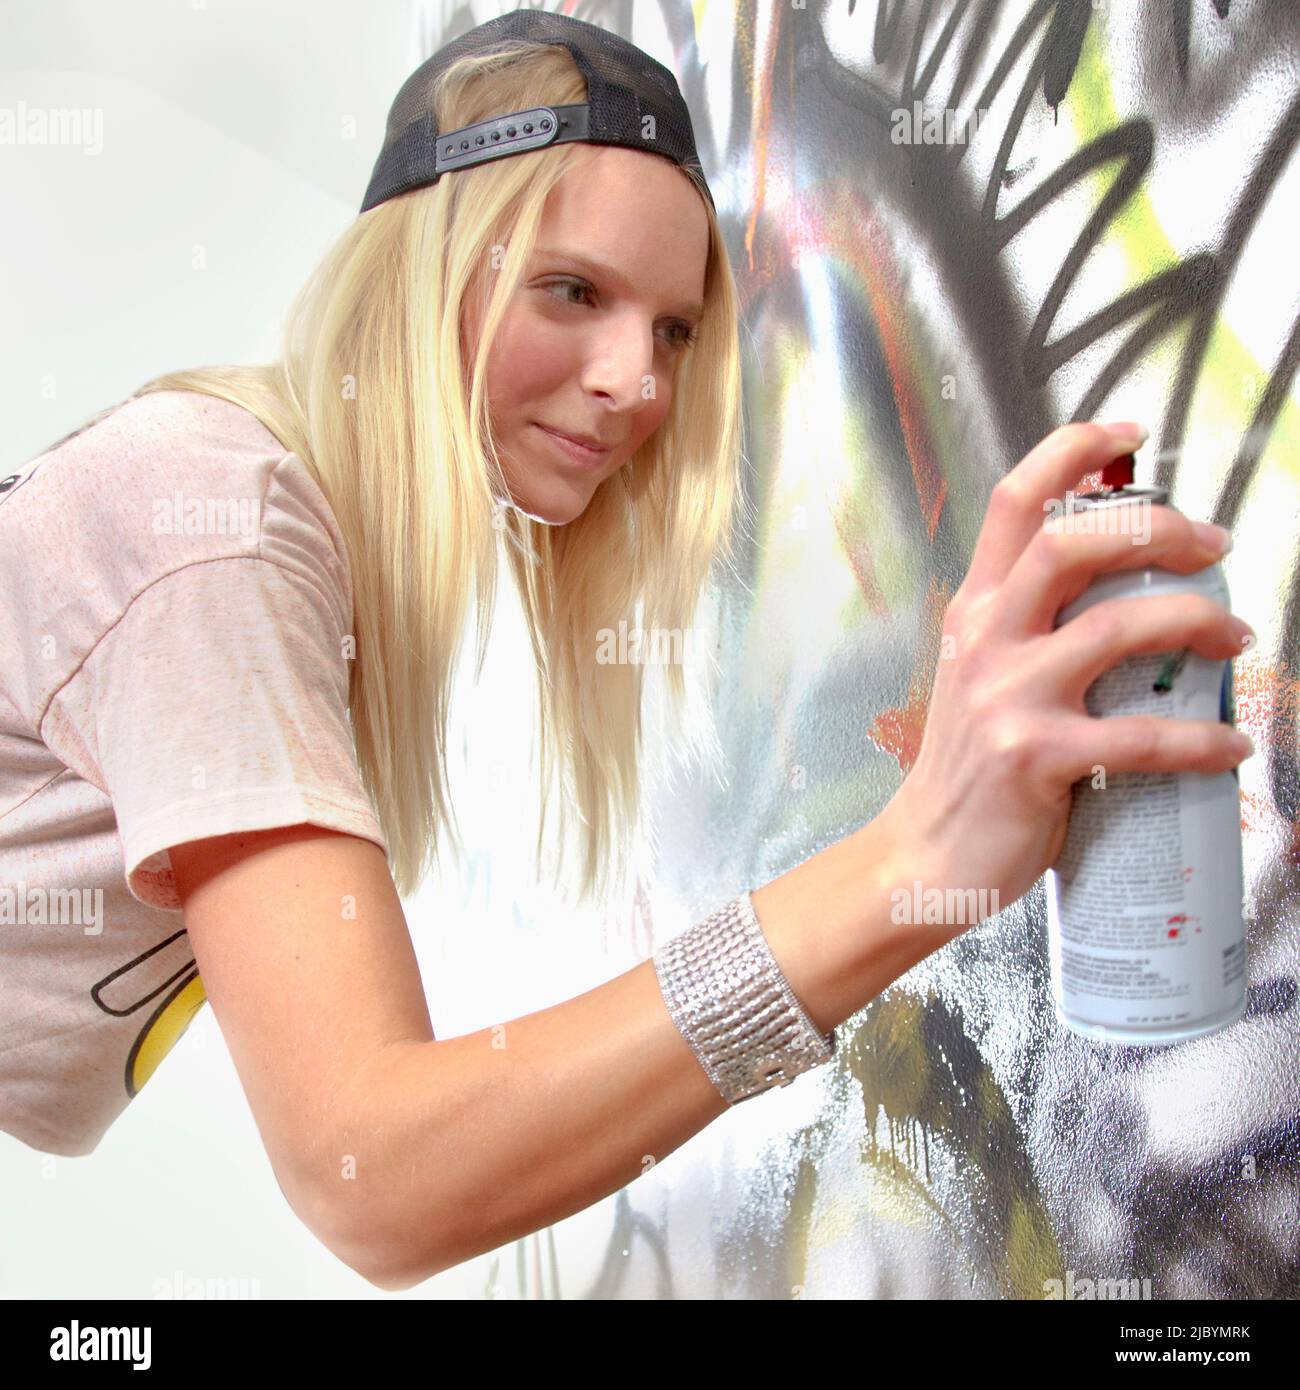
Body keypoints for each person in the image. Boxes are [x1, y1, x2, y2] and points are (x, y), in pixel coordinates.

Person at [0, 11, 1252, 1291]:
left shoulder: (288, 538)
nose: (635, 383)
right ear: (413, 272)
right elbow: (370, 1174)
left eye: (672, 330)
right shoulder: (215, 520)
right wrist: (911, 859)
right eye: (572, 290)